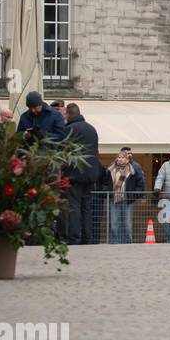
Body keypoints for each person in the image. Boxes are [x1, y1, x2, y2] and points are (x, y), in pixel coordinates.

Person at [58, 103, 100, 244]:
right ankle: (87, 237)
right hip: (91, 173)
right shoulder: (92, 129)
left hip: (75, 173)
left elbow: (64, 152)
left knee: (74, 205)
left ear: (69, 114)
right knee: (86, 206)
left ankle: (74, 237)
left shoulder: (70, 129)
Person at [104, 150, 144, 244]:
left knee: (128, 225)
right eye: (119, 157)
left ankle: (128, 244)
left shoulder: (132, 170)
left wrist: (135, 194)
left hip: (127, 200)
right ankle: (115, 244)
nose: (121, 159)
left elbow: (140, 183)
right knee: (114, 224)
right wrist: (107, 191)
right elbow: (105, 182)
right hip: (114, 199)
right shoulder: (111, 170)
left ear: (127, 160)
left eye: (123, 157)